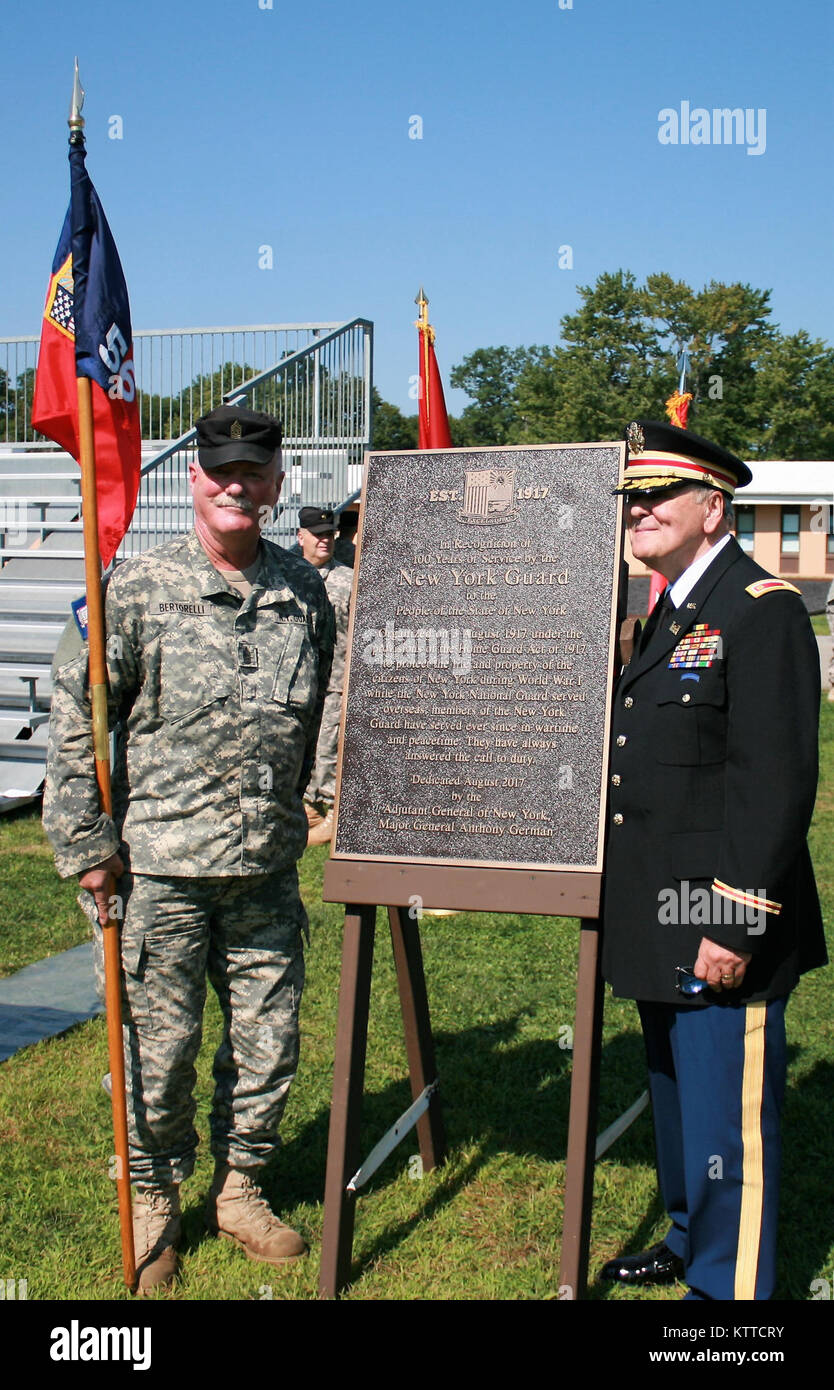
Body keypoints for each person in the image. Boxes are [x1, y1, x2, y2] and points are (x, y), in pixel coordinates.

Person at [43, 405, 334, 1293]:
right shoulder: (132, 589)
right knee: (156, 1053)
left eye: (255, 473)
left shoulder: (304, 591)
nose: (237, 486)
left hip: (264, 872)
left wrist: (314, 799)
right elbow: (75, 721)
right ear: (195, 482)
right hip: (160, 870)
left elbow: (321, 708)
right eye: (221, 473)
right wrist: (89, 844)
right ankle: (154, 1196)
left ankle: (241, 1187)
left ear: (278, 487)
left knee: (268, 1042)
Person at [600, 418, 826, 1301]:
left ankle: (727, 1302)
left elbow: (774, 782)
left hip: (718, 916)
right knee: (676, 1093)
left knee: (727, 1112)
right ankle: (691, 1232)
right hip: (661, 906)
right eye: (634, 499)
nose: (640, 511)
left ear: (713, 506)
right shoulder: (669, 605)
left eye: (659, 497)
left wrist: (731, 921)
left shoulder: (757, 609)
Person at [295, 506, 353, 846]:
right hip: (301, 682)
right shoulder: (289, 576)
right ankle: (312, 804)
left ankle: (334, 811)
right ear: (300, 536)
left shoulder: (346, 580)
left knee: (331, 745)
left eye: (329, 534)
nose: (325, 540)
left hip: (336, 681)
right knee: (308, 745)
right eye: (317, 535)